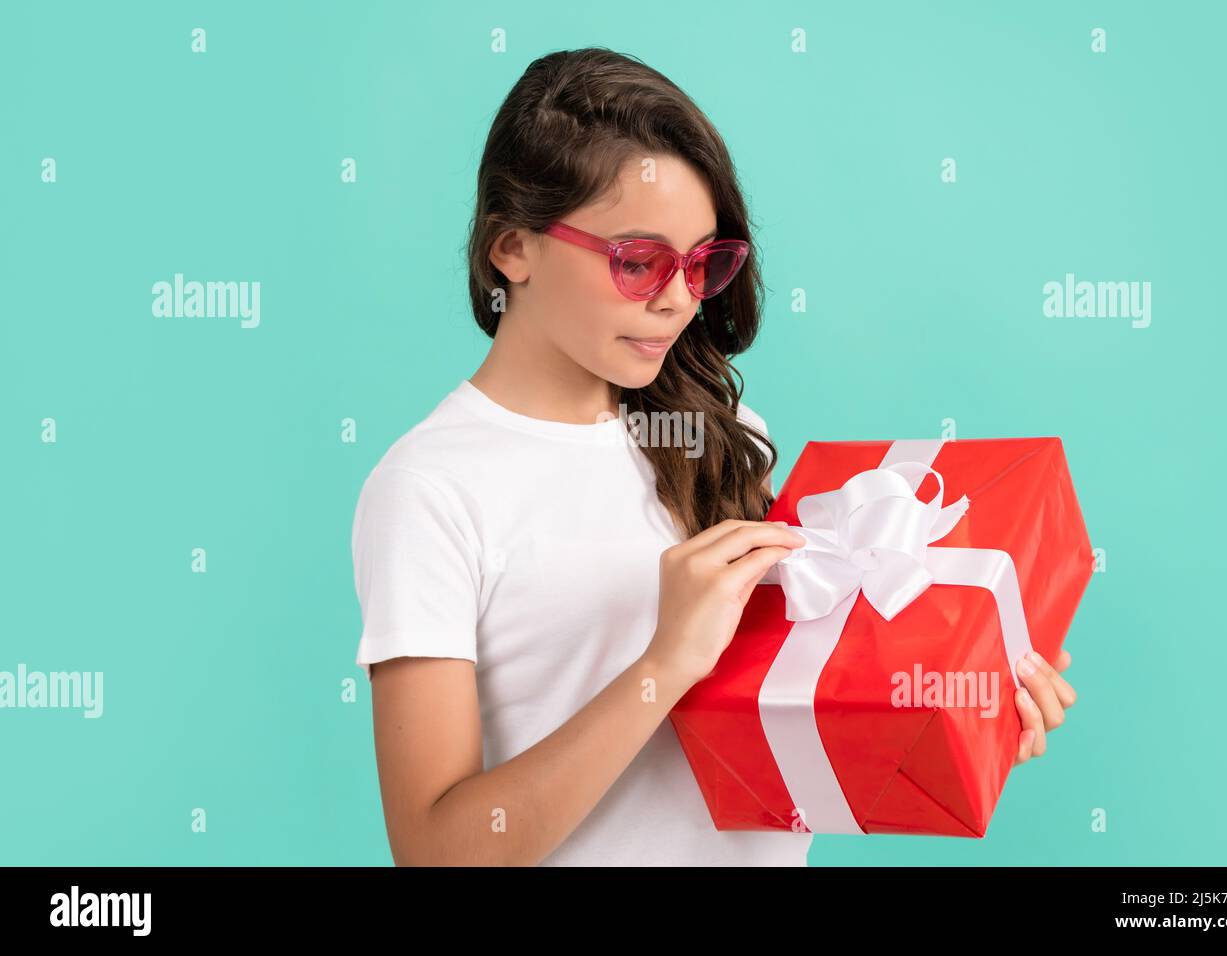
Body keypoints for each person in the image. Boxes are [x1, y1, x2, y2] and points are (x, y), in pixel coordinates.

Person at [350, 47, 1075, 866]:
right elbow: (435, 849)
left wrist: (959, 707)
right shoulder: (430, 489)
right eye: (636, 261)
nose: (679, 299)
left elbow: (781, 744)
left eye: (701, 263)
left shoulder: (715, 433)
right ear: (512, 248)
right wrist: (664, 666)